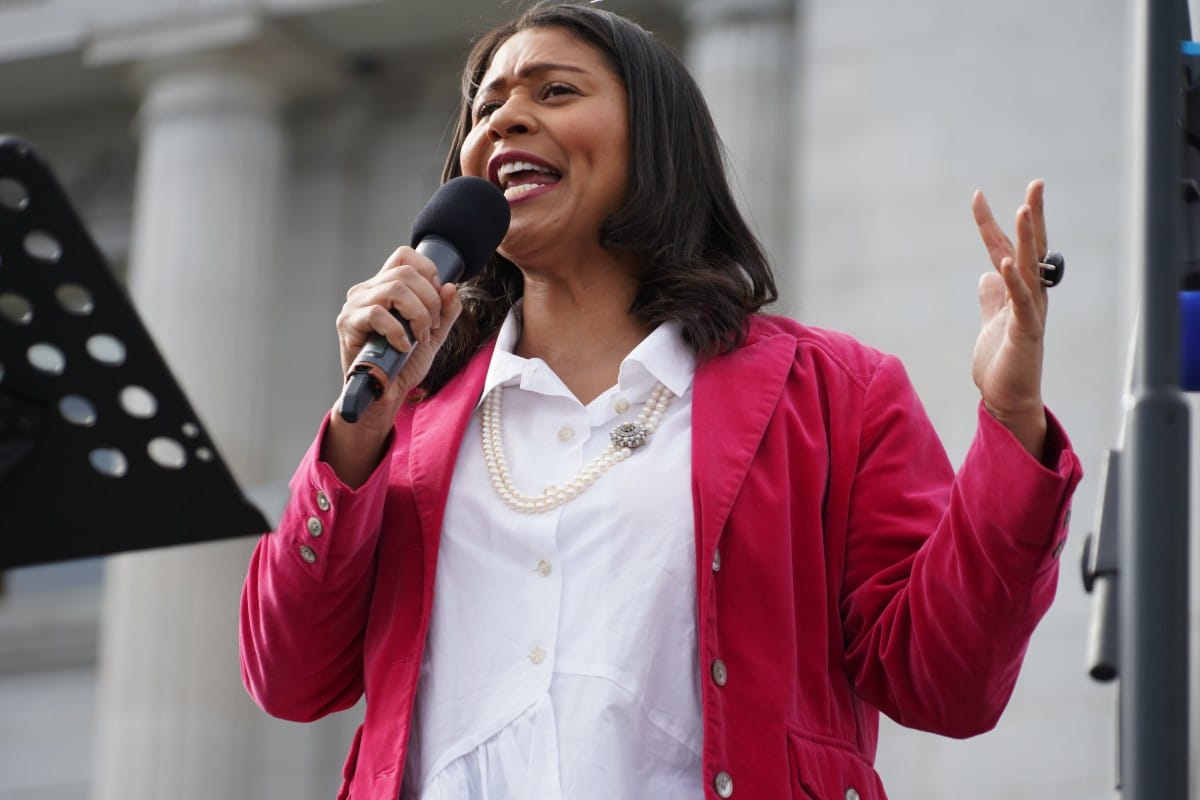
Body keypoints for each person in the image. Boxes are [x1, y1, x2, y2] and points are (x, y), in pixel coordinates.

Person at [239, 3, 1083, 799]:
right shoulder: (411, 428)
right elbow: (289, 677)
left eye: (554, 90)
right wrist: (357, 438)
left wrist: (1011, 424)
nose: (502, 119)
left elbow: (947, 682)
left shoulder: (832, 395)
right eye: (485, 105)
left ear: (656, 145)